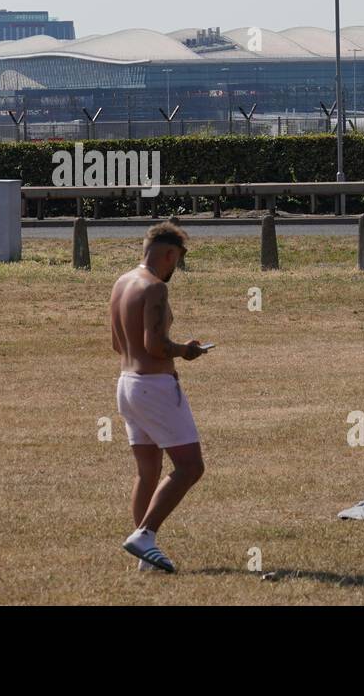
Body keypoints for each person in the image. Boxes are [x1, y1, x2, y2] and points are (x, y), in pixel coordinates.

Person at [109, 221, 209, 573]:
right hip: (154, 386)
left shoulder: (121, 283)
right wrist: (186, 351)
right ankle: (145, 535)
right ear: (168, 253)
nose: (174, 270)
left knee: (147, 472)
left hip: (126, 384)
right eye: (176, 261)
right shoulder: (154, 288)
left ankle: (145, 559)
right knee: (190, 467)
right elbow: (156, 345)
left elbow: (116, 343)